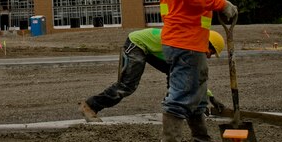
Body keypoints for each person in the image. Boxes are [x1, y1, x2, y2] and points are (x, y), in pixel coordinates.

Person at [158, 0, 237, 142]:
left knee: (197, 93)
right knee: (182, 93)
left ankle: (202, 141)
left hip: (180, 38)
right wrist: (221, 3)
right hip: (186, 39)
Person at [79, 28, 227, 122]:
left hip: (151, 49)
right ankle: (90, 106)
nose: (209, 56)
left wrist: (210, 97)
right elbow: (193, 75)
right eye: (211, 52)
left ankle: (172, 113)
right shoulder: (186, 46)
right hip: (137, 43)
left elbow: (191, 77)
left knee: (177, 77)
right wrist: (209, 97)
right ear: (206, 42)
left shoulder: (190, 45)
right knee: (127, 85)